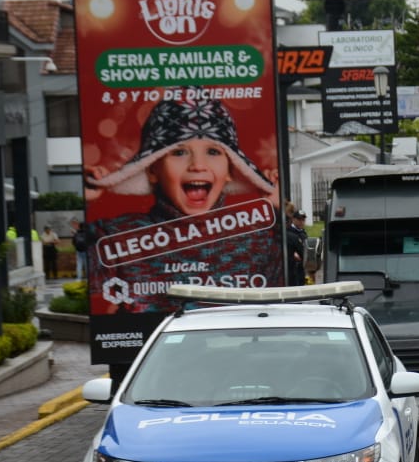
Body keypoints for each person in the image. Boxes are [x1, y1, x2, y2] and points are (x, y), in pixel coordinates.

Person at [80, 97, 283, 313]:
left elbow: (278, 309)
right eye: (179, 152)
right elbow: (101, 307)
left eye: (213, 152)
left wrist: (277, 214)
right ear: (152, 170)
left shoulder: (260, 239)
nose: (197, 166)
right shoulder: (114, 236)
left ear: (231, 171)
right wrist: (89, 204)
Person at [284, 207, 308, 286]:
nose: (301, 222)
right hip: (291, 268)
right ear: (293, 219)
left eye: (303, 220)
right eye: (299, 219)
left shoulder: (303, 233)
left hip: (301, 267)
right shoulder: (288, 232)